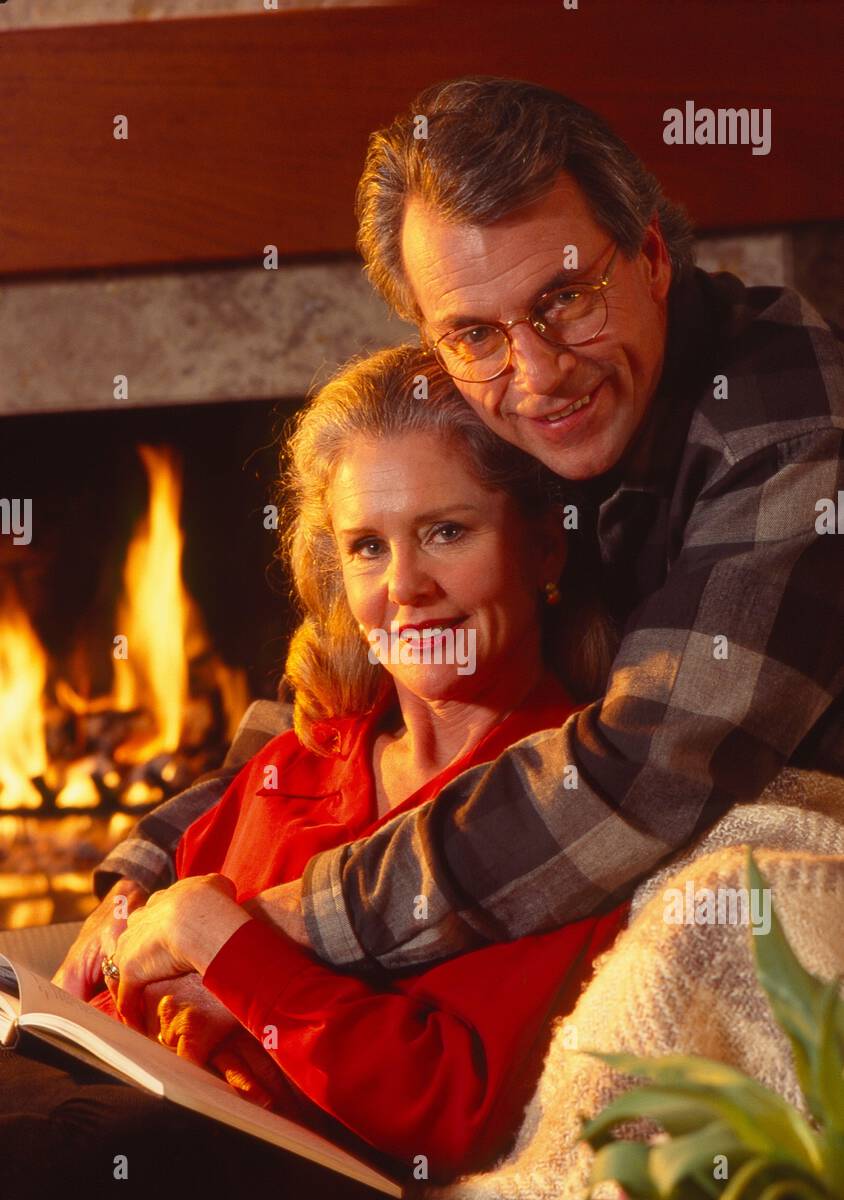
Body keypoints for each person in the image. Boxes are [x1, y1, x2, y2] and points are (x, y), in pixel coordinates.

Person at [67, 76, 842, 992]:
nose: (540, 373)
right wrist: (147, 872)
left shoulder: (788, 423)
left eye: (566, 299)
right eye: (474, 333)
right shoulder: (491, 412)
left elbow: (643, 773)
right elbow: (329, 698)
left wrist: (256, 928)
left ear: (651, 255)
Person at [6, 346, 625, 1200]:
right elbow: (138, 991)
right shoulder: (295, 763)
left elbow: (449, 1102)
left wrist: (232, 953)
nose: (404, 587)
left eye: (447, 532)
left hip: (291, 1181)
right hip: (126, 1123)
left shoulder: (556, 803)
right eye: (368, 547)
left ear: (543, 545)